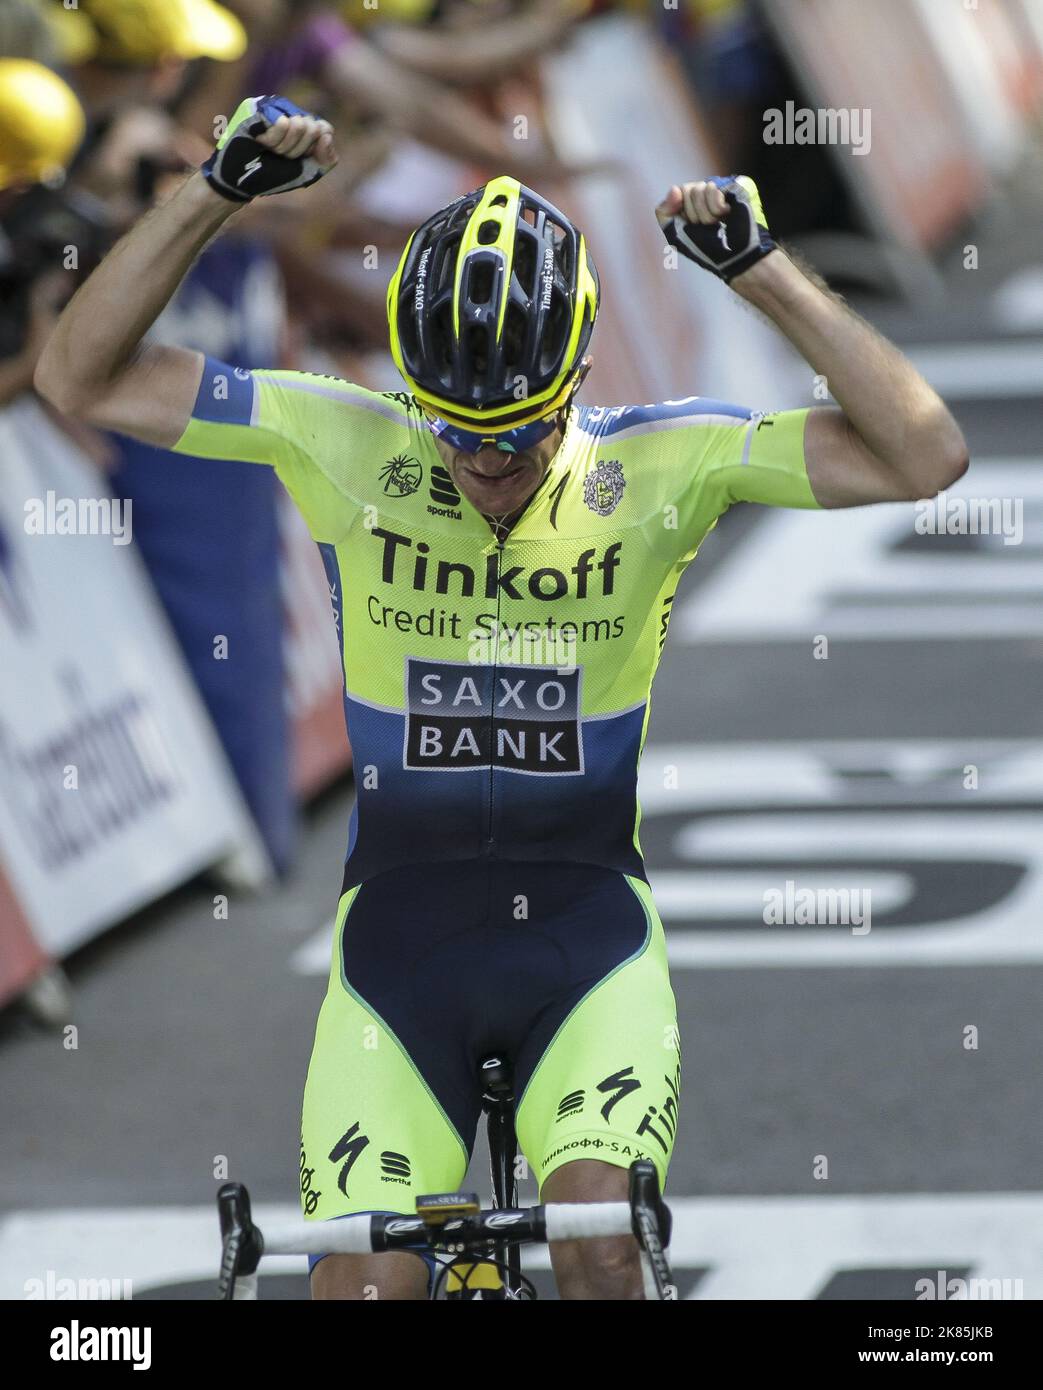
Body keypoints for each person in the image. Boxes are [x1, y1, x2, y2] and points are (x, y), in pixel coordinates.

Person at [36, 101, 968, 1300]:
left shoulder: (661, 466)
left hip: (582, 945)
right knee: (364, 1286)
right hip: (397, 950)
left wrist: (762, 271)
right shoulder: (346, 441)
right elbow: (77, 372)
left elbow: (922, 454)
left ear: (576, 376)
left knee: (592, 1241)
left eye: (518, 434)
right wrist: (213, 191)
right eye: (457, 429)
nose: (483, 464)